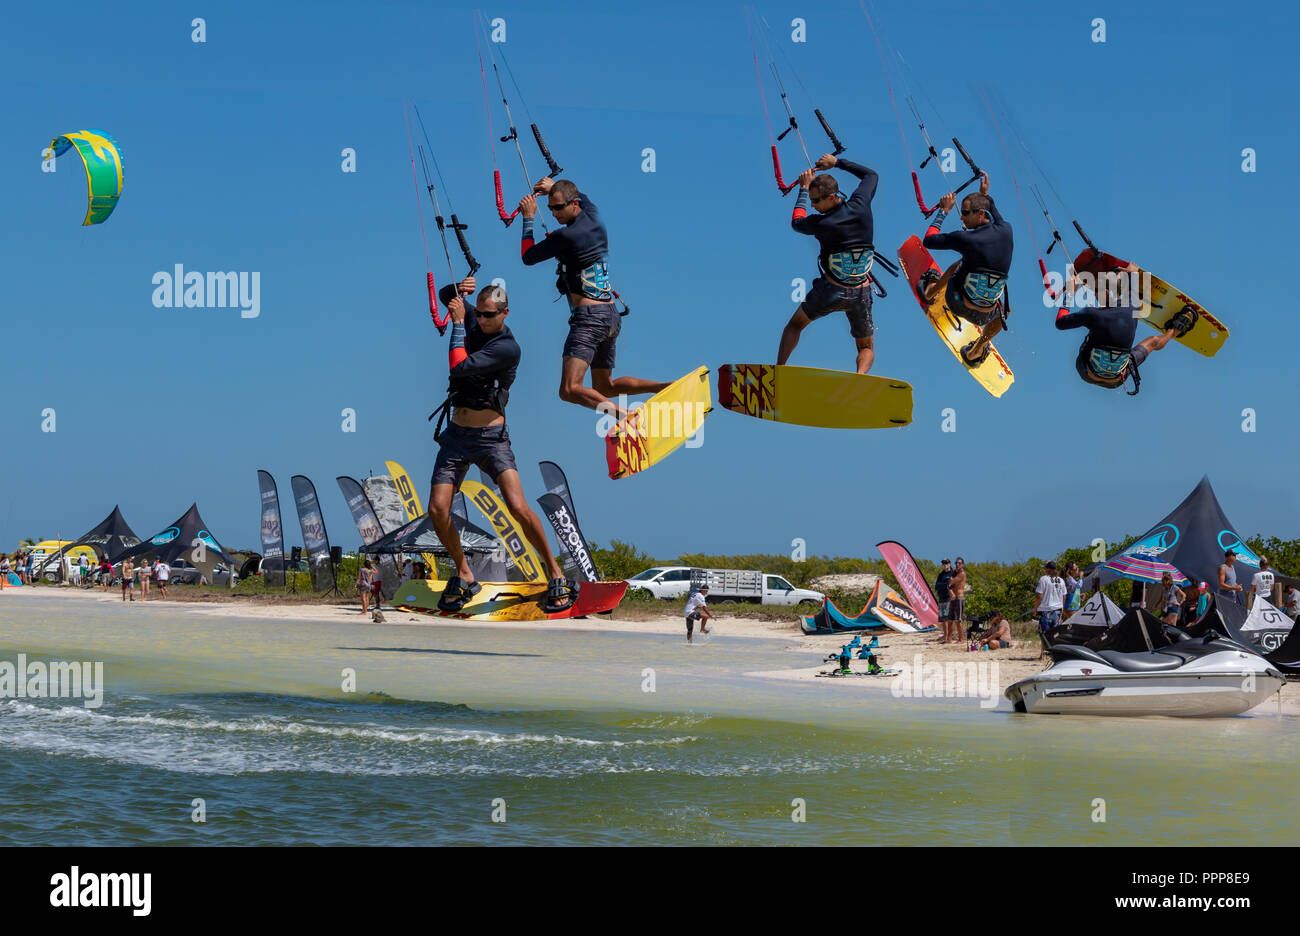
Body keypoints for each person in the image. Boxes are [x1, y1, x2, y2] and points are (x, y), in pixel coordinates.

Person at [427, 277, 574, 613]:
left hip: (492, 440)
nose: (481, 320)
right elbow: (448, 296)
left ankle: (554, 573)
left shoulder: (508, 348)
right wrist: (459, 287)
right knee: (437, 509)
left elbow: (460, 366)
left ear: (505, 313)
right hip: (456, 437)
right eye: (478, 314)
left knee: (518, 507)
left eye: (489, 315)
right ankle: (465, 575)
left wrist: (459, 323)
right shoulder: (475, 320)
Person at [518, 179, 670, 420]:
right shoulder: (593, 215)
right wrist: (554, 185)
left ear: (574, 204)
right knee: (604, 387)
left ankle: (627, 416)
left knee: (569, 390)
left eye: (558, 208)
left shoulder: (566, 236)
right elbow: (583, 195)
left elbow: (527, 257)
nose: (554, 214)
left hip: (589, 319)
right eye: (550, 208)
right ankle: (663, 388)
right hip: (610, 317)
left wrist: (528, 218)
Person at [779, 154, 880, 373]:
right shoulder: (861, 205)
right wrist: (837, 163)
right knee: (865, 346)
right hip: (861, 292)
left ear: (833, 197)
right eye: (812, 200)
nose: (814, 205)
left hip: (832, 290)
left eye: (817, 200)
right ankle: (860, 377)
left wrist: (803, 190)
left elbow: (797, 222)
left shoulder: (822, 222)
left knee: (794, 325)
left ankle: (779, 372)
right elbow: (871, 175)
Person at [917, 172, 1013, 365]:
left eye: (966, 213)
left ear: (980, 214)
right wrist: (985, 195)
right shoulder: (1006, 229)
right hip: (986, 316)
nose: (962, 217)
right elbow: (994, 211)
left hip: (956, 303)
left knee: (958, 265)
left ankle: (929, 293)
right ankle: (975, 352)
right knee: (1006, 311)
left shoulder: (966, 239)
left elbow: (928, 240)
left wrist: (943, 211)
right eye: (961, 212)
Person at [1053, 265, 1192, 394]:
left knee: (1096, 329)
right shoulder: (1133, 308)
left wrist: (1070, 292)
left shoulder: (1092, 314)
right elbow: (1132, 285)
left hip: (1086, 371)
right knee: (1153, 342)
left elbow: (1060, 323)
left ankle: (1106, 300)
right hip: (1116, 380)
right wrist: (1131, 272)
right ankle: (1175, 330)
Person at [1033, 561, 1067, 658]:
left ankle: (1042, 655)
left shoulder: (1043, 579)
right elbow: (1064, 596)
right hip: (1057, 610)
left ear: (1048, 569)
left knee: (1044, 634)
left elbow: (1038, 596)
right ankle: (1054, 654)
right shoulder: (1061, 580)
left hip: (1046, 610)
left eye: (1045, 568)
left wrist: (1035, 609)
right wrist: (1062, 609)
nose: (1044, 570)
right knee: (1054, 634)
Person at [949, 557, 969, 644]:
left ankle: (961, 639)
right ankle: (949, 638)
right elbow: (949, 584)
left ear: (963, 565)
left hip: (960, 598)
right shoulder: (955, 573)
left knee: (958, 619)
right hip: (954, 598)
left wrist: (951, 578)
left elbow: (951, 581)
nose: (957, 565)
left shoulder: (962, 574)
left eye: (959, 563)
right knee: (951, 619)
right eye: (956, 563)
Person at [934, 559, 953, 640]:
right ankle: (945, 637)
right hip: (941, 597)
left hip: (949, 597)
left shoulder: (952, 573)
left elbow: (951, 584)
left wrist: (944, 585)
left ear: (949, 564)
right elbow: (936, 586)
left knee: (949, 619)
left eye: (946, 563)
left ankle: (950, 637)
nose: (945, 565)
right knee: (943, 619)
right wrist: (945, 584)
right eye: (943, 563)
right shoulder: (941, 574)